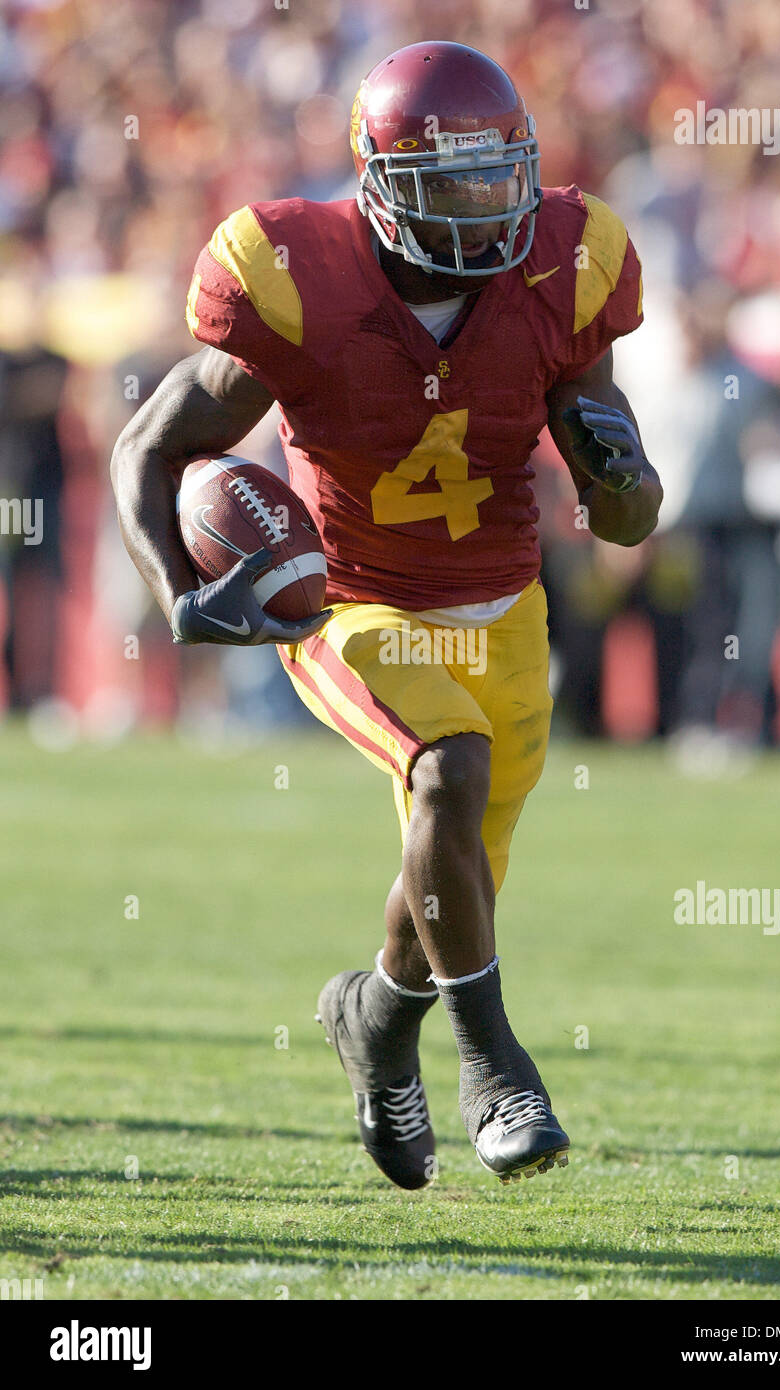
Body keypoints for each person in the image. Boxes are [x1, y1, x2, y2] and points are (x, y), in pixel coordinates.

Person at [110, 41, 662, 1189]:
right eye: (448, 184)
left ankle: (374, 1015)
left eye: (497, 178)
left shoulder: (564, 262)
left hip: (507, 612)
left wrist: (625, 481)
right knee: (446, 773)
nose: (481, 209)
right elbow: (150, 444)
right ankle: (492, 1065)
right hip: (352, 602)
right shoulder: (298, 273)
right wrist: (177, 589)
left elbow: (624, 519)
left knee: (448, 873)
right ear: (377, 183)